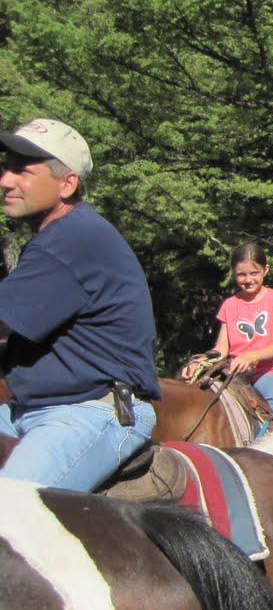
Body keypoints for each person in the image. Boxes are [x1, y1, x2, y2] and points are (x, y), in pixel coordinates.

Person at [0, 118, 160, 489]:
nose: (6, 180)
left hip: (89, 413)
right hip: (34, 410)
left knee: (7, 517)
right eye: (7, 167)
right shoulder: (59, 237)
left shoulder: (71, 241)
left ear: (67, 184)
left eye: (23, 170)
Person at [181, 240, 273, 426]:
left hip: (268, 373)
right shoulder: (230, 305)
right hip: (233, 374)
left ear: (265, 270)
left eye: (254, 273)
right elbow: (221, 348)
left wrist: (250, 356)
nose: (248, 280)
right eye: (241, 275)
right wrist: (199, 362)